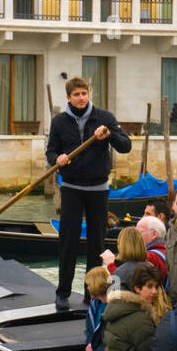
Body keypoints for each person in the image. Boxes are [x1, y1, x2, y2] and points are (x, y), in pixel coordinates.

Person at [46, 77, 131, 311]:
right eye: (76, 94)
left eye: (84, 93)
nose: (81, 98)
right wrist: (57, 159)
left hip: (98, 190)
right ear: (69, 97)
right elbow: (51, 150)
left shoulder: (105, 119)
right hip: (71, 188)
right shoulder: (59, 122)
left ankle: (91, 294)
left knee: (97, 245)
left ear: (88, 94)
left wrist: (110, 136)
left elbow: (126, 145)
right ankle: (62, 293)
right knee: (68, 242)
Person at [101, 261, 163, 351]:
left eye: (157, 287)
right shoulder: (140, 320)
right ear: (137, 288)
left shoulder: (118, 307)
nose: (155, 292)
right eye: (150, 287)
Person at [71, 266, 111, 351]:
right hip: (98, 349)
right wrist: (90, 342)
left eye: (88, 285)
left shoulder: (112, 306)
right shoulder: (94, 304)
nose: (87, 288)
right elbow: (89, 328)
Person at [101, 226, 147, 292]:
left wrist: (110, 265)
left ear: (120, 245)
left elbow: (114, 296)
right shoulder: (150, 266)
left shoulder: (120, 271)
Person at [135, 215, 169, 283]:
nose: (135, 237)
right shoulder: (168, 252)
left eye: (139, 232)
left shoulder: (149, 257)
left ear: (154, 234)